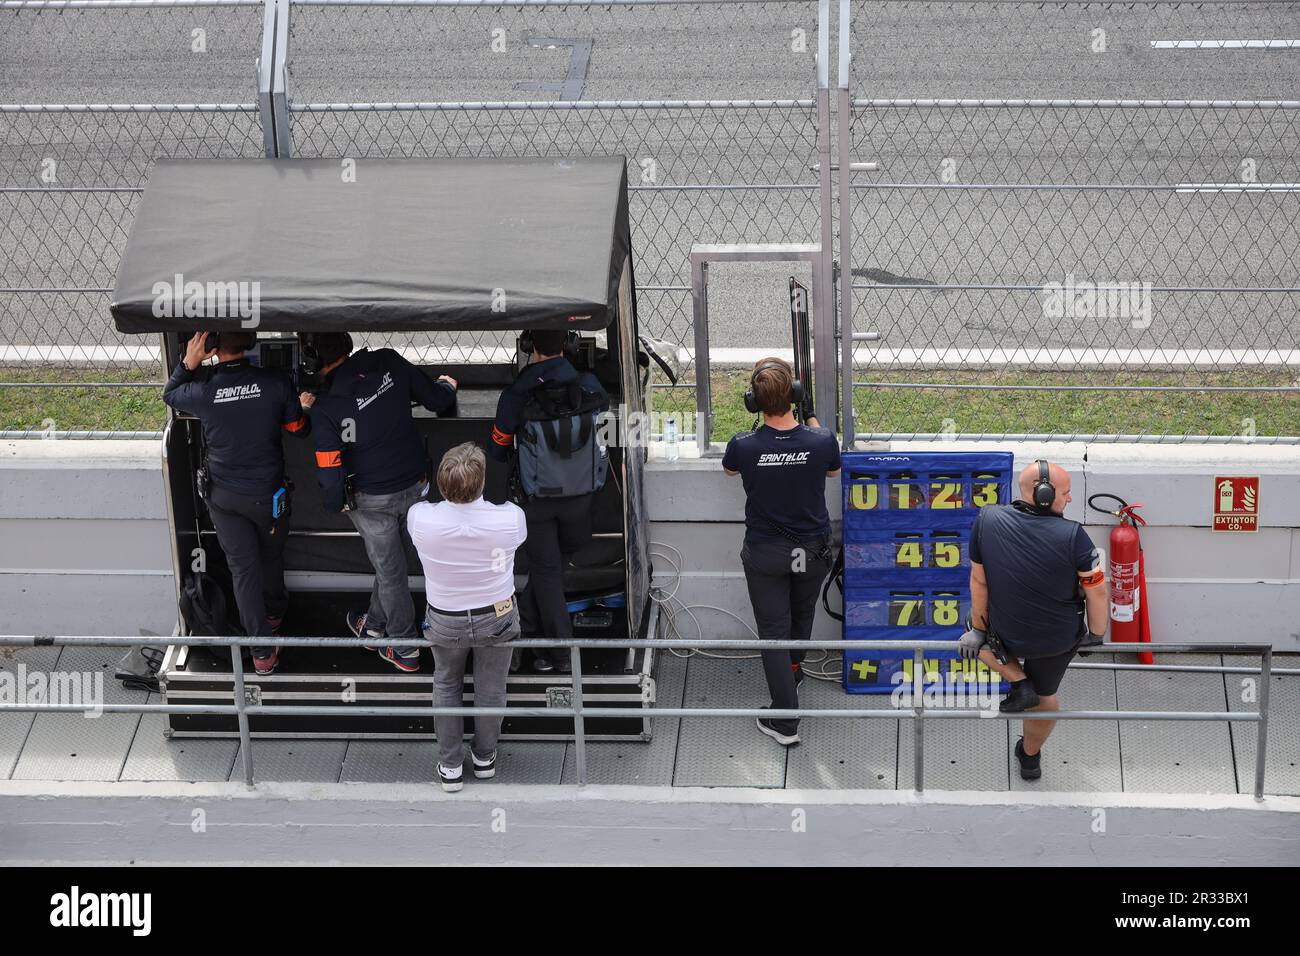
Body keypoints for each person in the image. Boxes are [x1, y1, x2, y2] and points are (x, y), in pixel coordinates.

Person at [301, 333, 458, 672]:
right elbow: (436, 400)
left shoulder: (326, 409)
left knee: (391, 570)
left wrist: (335, 504)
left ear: (313, 361)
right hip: (417, 485)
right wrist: (447, 386)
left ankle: (404, 647)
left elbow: (329, 470)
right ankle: (373, 625)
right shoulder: (388, 361)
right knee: (391, 567)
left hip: (372, 500)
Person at [163, 331, 310, 675]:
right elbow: (298, 428)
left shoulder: (204, 390)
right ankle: (274, 616)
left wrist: (190, 362)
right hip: (267, 496)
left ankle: (262, 655)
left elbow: (170, 394)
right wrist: (301, 406)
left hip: (224, 497)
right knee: (271, 554)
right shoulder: (275, 383)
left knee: (242, 570)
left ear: (213, 347)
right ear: (251, 342)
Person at [958, 460, 1109, 781]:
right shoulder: (1074, 536)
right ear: (1044, 494)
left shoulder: (987, 520)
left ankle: (1017, 681)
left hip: (1005, 635)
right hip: (1057, 640)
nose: (1069, 499)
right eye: (1066, 493)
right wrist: (1095, 634)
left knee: (969, 628)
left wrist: (980, 631)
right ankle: (1029, 757)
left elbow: (979, 583)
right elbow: (1096, 594)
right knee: (1045, 699)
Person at [722, 357, 841, 746]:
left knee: (773, 631)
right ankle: (793, 671)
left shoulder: (743, 445)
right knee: (802, 612)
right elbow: (832, 470)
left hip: (767, 552)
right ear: (795, 396)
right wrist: (808, 419)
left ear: (752, 402)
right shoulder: (822, 440)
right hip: (812, 552)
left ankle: (786, 721)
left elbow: (730, 471)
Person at [487, 328, 608, 674]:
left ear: (529, 346)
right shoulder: (590, 385)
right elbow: (606, 436)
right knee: (552, 568)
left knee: (546, 572)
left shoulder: (517, 393)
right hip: (584, 497)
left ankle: (560, 655)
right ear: (568, 345)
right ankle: (525, 622)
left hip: (536, 501)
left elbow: (497, 450)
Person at [408, 442, 527, 792]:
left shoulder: (420, 517)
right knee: (491, 689)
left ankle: (450, 767)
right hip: (497, 617)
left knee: (446, 684)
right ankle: (485, 758)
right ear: (482, 481)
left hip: (445, 619)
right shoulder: (510, 518)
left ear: (441, 484)